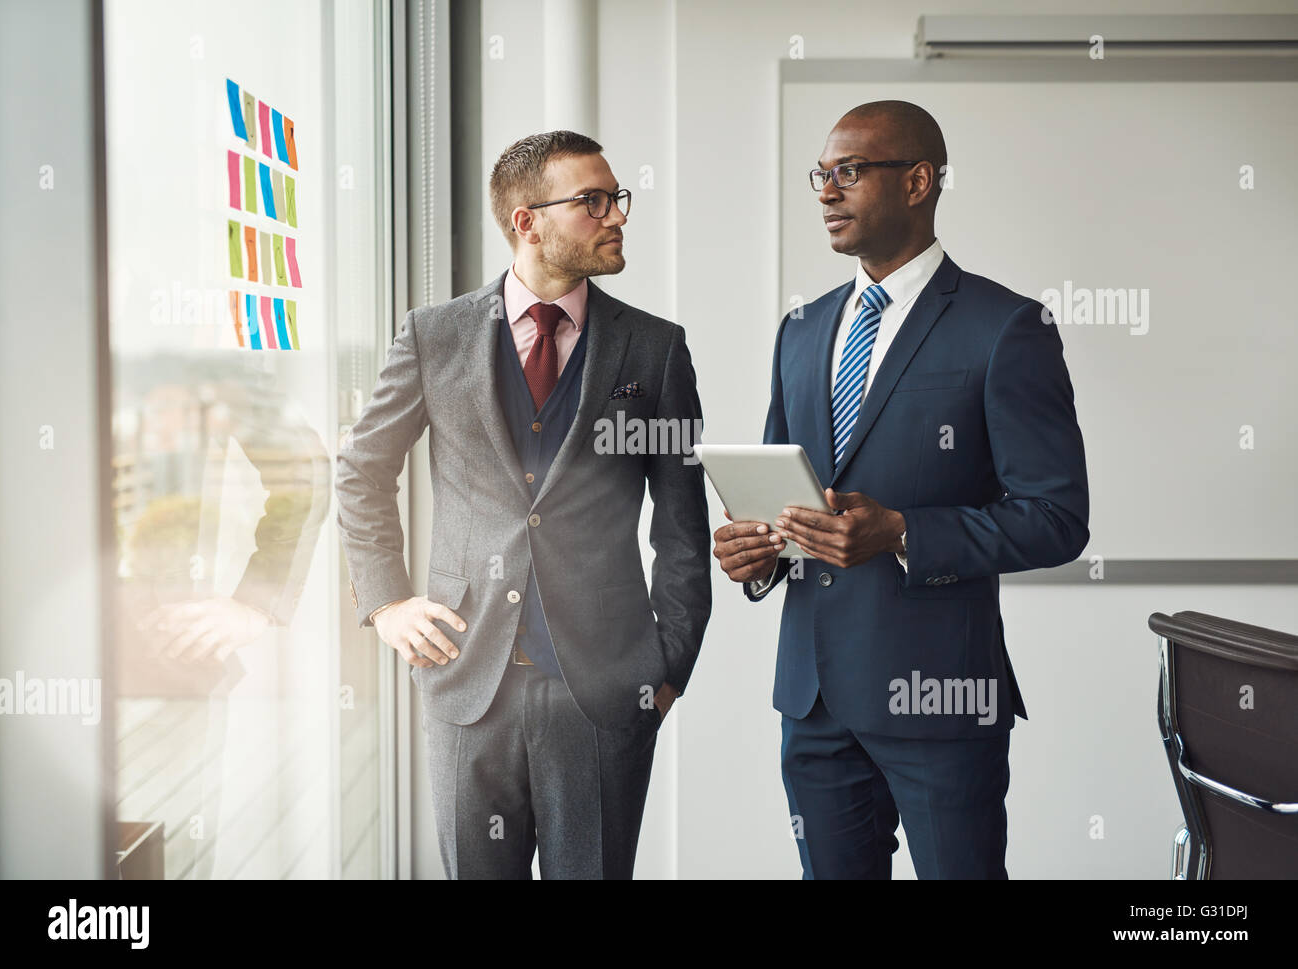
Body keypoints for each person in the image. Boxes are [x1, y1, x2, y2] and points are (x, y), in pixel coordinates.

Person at [713, 101, 1089, 879]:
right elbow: (791, 492)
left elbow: (1057, 517)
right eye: (821, 174)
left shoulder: (1007, 327)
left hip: (942, 702)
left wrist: (904, 532)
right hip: (813, 702)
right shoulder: (803, 328)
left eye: (847, 172)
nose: (825, 191)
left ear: (918, 181)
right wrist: (759, 552)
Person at [336, 130, 711, 879]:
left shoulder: (654, 349)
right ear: (526, 221)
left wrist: (667, 670)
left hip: (605, 691)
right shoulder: (433, 336)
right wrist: (386, 604)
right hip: (466, 682)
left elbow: (681, 526)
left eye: (617, 200)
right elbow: (360, 470)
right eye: (593, 202)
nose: (616, 216)